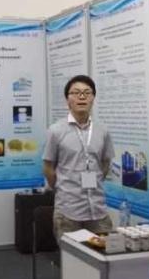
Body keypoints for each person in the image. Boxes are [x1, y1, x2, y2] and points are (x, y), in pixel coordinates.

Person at [42, 74, 115, 241]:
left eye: (87, 93)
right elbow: (48, 168)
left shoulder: (102, 131)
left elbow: (105, 164)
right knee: (71, 256)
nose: (82, 97)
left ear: (93, 98)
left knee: (104, 252)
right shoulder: (55, 131)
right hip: (68, 211)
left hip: (98, 210)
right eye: (75, 93)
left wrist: (94, 179)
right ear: (67, 99)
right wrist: (63, 188)